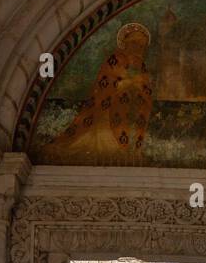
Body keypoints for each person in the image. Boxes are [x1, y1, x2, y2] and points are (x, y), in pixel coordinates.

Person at [37, 22, 153, 163]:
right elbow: (106, 86)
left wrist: (138, 87)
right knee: (93, 146)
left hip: (130, 115)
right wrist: (129, 83)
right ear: (126, 43)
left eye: (142, 45)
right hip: (108, 116)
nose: (138, 48)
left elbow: (146, 96)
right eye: (135, 43)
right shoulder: (116, 60)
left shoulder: (143, 69)